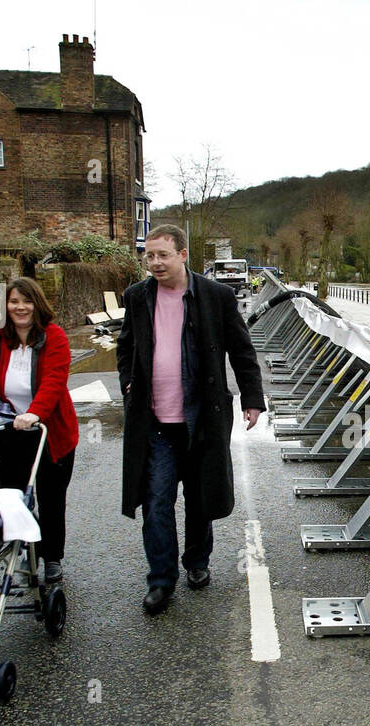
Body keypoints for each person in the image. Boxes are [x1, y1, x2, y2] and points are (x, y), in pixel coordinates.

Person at [117, 225, 265, 615]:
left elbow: (242, 350)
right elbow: (126, 346)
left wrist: (252, 398)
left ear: (183, 255)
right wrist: (128, 383)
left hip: (201, 419)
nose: (155, 262)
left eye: (162, 254)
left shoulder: (216, 296)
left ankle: (197, 563)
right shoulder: (137, 298)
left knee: (200, 499)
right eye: (149, 255)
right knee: (156, 501)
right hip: (156, 425)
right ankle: (161, 580)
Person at [0, 277, 79, 583]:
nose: (20, 308)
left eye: (27, 301)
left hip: (52, 430)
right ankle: (26, 545)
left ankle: (52, 557)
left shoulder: (54, 337)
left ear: (38, 304)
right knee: (11, 494)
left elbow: (54, 381)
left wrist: (35, 413)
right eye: (13, 302)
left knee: (50, 497)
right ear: (5, 306)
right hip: (10, 426)